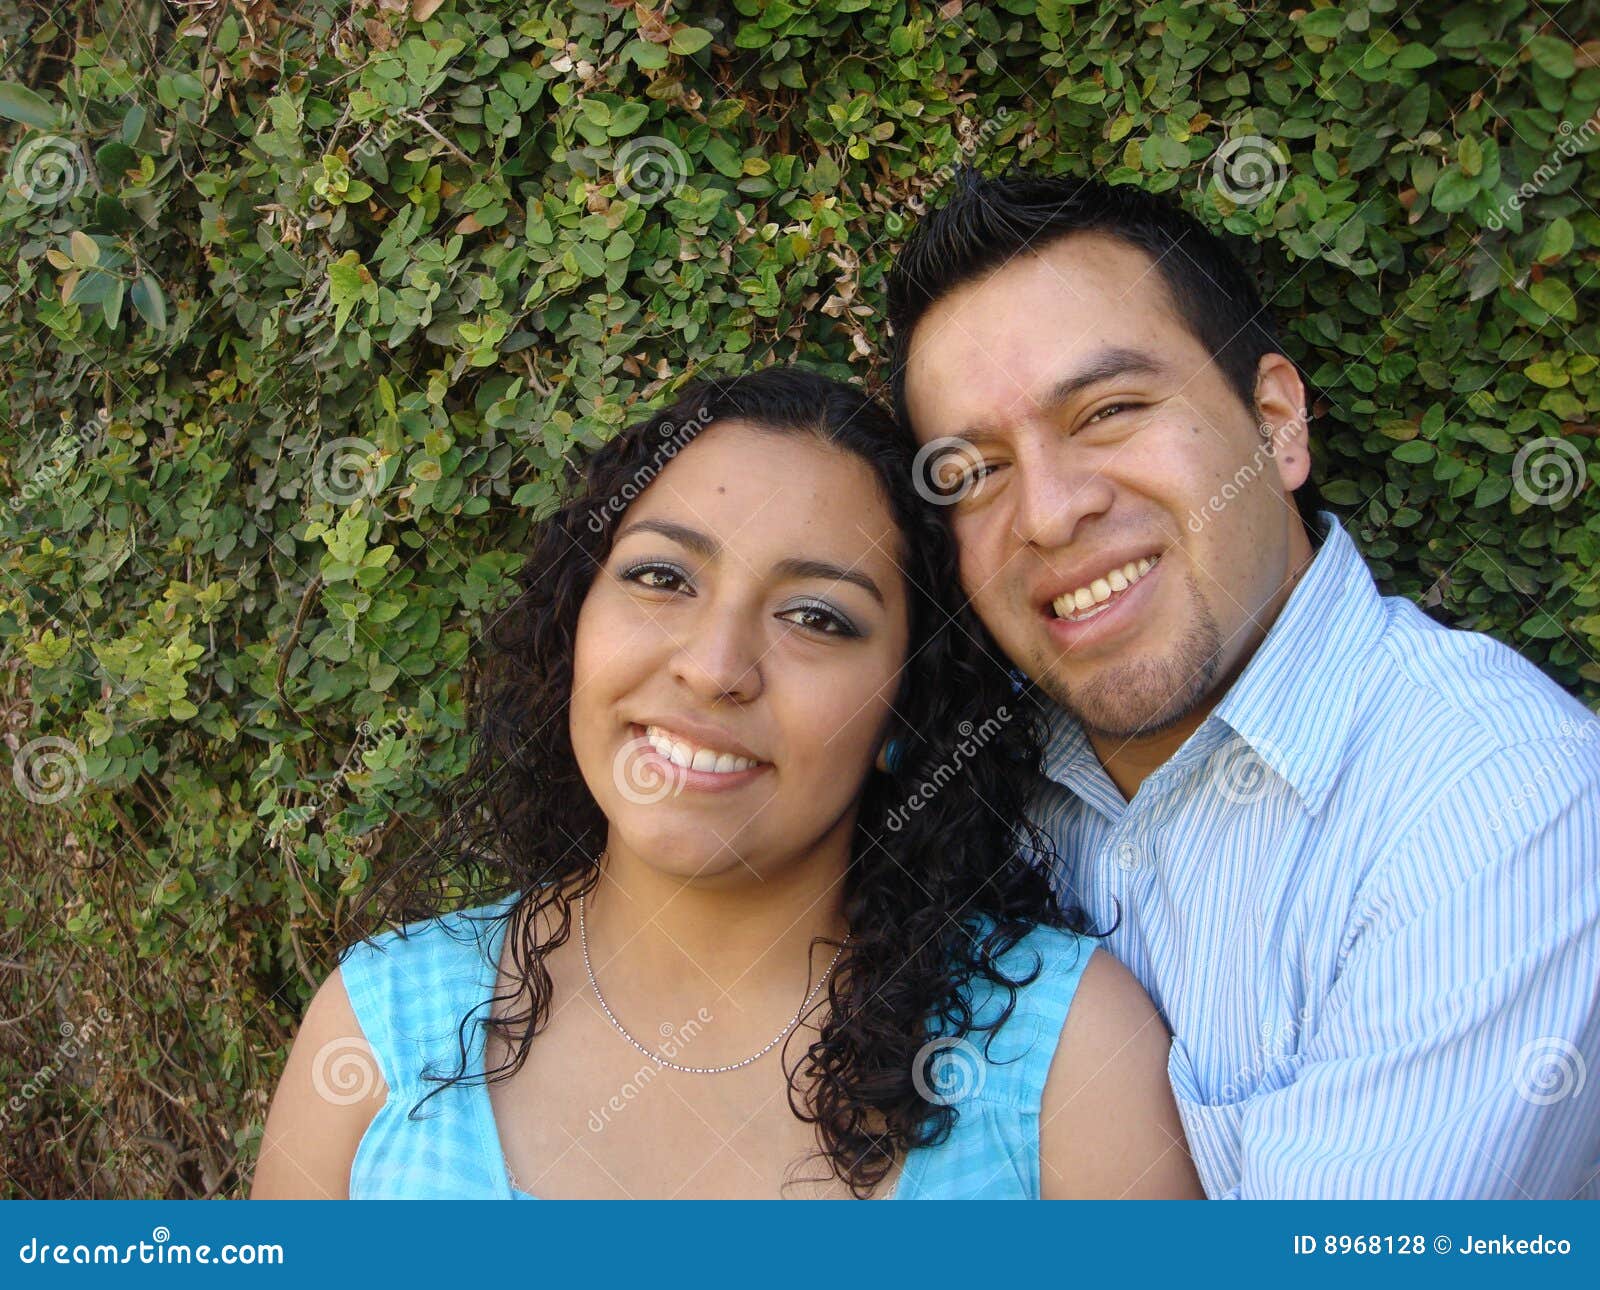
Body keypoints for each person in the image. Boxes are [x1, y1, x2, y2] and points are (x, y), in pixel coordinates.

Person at [252, 367, 1202, 1200]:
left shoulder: (1065, 1061)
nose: (714, 668)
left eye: (817, 617)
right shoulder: (375, 1036)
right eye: (663, 577)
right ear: (577, 624)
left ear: (904, 714)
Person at [885, 169, 1600, 1199]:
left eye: (1108, 411)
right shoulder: (962, 788)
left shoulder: (1497, 804)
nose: (1046, 513)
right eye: (971, 473)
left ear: (1276, 421)